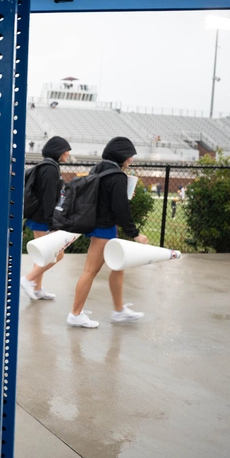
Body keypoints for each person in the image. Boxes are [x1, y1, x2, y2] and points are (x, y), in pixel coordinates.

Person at [67, 136, 150, 328]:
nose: (131, 160)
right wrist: (135, 234)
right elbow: (121, 209)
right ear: (121, 156)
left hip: (97, 224)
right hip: (104, 228)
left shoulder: (98, 169)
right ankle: (75, 314)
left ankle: (119, 310)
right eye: (130, 156)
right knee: (90, 271)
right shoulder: (118, 176)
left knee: (118, 266)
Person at [21, 136, 72, 301]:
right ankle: (28, 280)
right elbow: (49, 198)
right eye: (66, 150)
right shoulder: (51, 168)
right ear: (59, 151)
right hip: (43, 218)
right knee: (57, 254)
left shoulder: (46, 166)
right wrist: (53, 224)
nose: (68, 153)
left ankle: (37, 288)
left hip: (39, 216)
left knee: (43, 255)